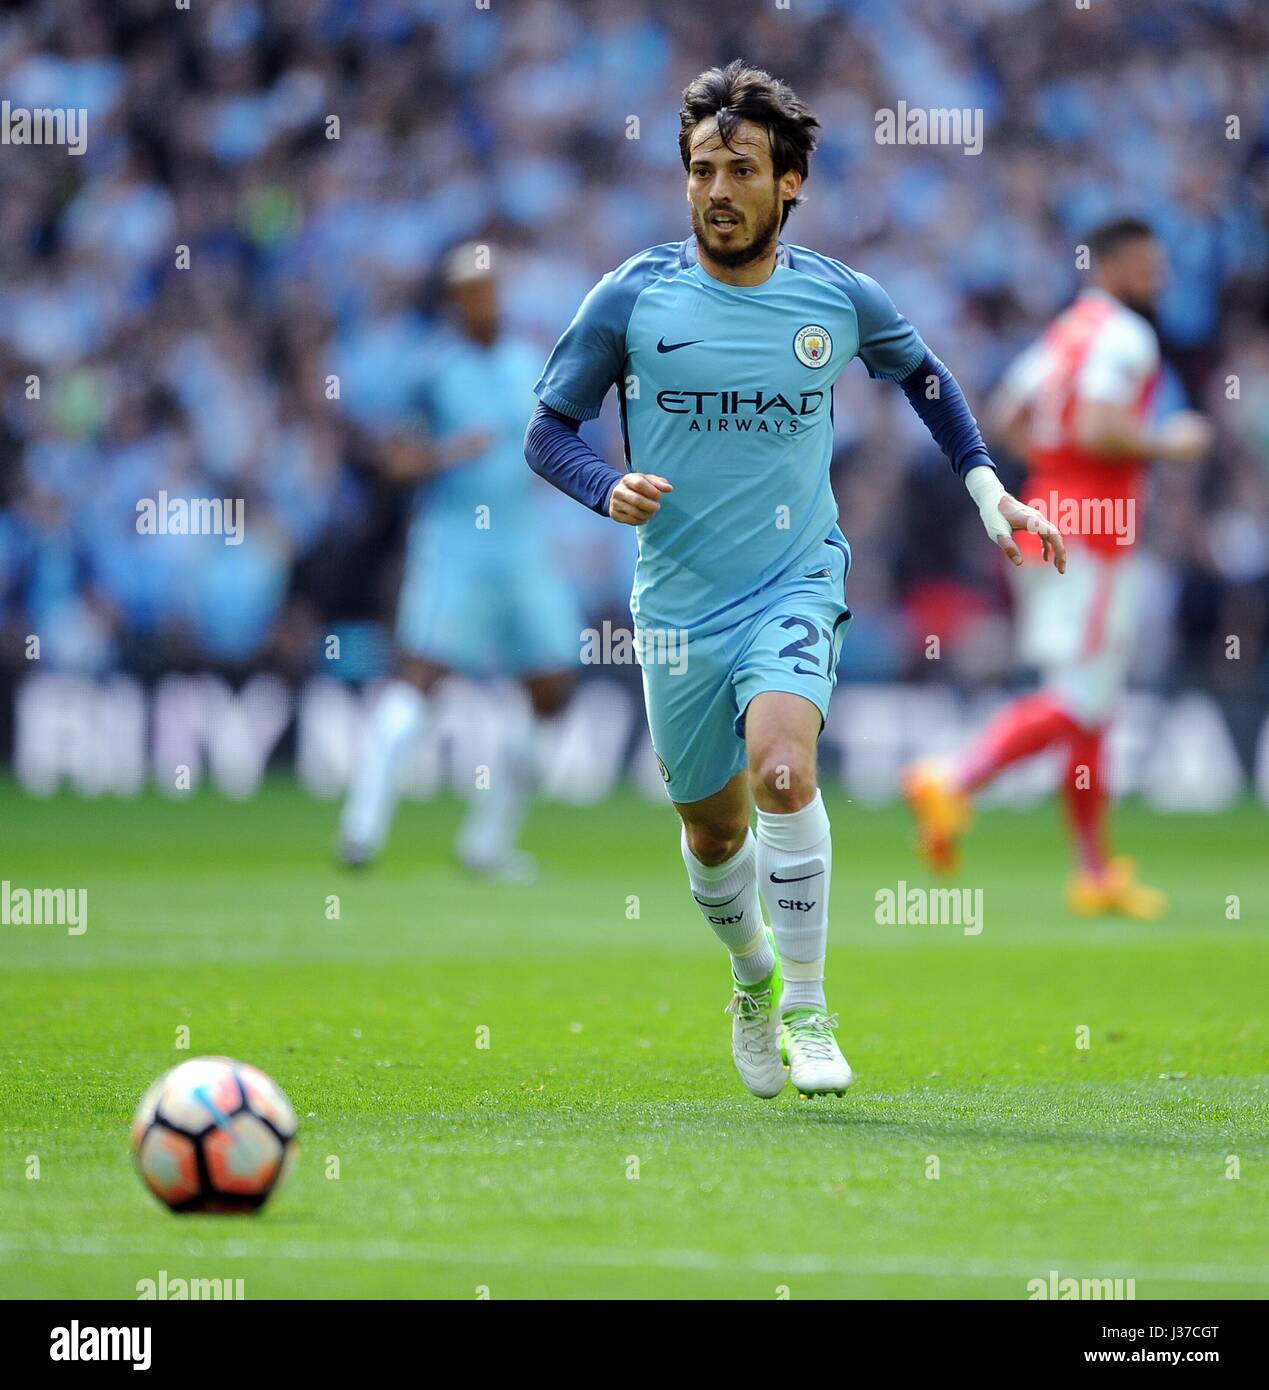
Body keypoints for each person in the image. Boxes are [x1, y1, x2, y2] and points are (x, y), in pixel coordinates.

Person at [523, 61, 1063, 1098]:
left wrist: (990, 491)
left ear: (791, 181)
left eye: (739, 169)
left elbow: (928, 378)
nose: (716, 191)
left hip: (795, 579)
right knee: (712, 829)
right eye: (699, 170)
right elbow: (548, 430)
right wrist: (604, 486)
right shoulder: (632, 296)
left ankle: (812, 1007)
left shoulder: (836, 296)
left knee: (782, 770)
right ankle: (754, 979)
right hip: (677, 601)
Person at [904, 218, 1212, 919]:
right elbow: (1103, 426)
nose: (1157, 278)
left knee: (1091, 708)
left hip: (1043, 517)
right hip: (1092, 536)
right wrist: (1169, 442)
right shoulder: (1126, 336)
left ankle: (1094, 872)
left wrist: (1053, 463)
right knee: (1080, 696)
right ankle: (952, 777)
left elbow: (1007, 413)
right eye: (1145, 264)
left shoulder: (1065, 330)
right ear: (1111, 266)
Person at [339, 243, 580, 881]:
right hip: (455, 545)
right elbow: (392, 463)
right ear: (455, 301)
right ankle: (361, 828)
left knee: (553, 688)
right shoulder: (431, 372)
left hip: (523, 545)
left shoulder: (532, 360)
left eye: (492, 286)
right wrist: (448, 454)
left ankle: (488, 842)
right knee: (423, 676)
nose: (486, 299)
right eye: (473, 290)